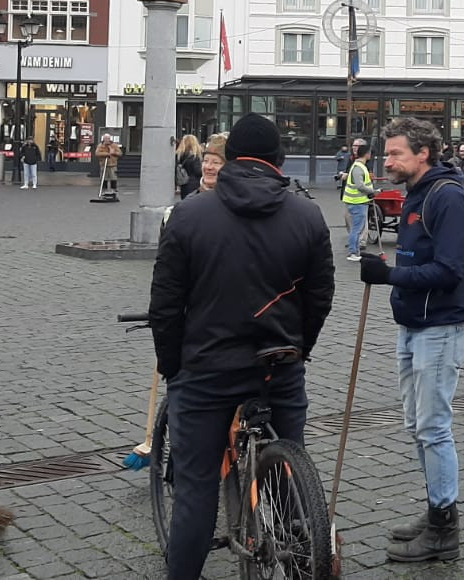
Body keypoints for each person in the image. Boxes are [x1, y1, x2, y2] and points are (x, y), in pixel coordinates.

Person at [149, 113, 335, 580]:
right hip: (279, 366)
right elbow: (320, 298)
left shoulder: (189, 214)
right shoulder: (308, 215)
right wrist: (299, 349)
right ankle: (301, 548)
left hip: (207, 370)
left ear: (228, 159)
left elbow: (166, 305)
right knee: (291, 479)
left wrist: (174, 367)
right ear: (278, 159)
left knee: (194, 494)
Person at [359, 117, 464, 563]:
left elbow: (450, 269)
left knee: (433, 427)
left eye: (395, 154)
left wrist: (390, 275)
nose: (386, 160)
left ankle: (445, 529)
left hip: (441, 326)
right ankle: (435, 510)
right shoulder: (417, 193)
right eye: (387, 153)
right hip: (413, 323)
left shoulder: (445, 197)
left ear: (422, 153)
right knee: (417, 425)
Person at [341, 143, 380, 262]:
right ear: (367, 154)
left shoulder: (359, 165)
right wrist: (374, 191)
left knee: (357, 228)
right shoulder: (358, 167)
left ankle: (355, 250)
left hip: (358, 201)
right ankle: (353, 252)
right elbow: (360, 186)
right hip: (357, 202)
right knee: (357, 229)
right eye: (370, 153)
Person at [174, 134, 203, 199]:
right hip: (194, 184)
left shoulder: (179, 155)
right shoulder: (194, 156)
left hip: (183, 183)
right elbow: (198, 171)